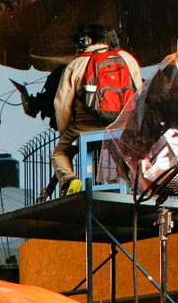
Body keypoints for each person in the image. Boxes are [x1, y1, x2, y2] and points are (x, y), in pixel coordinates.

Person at [50, 23, 142, 196]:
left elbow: (61, 105)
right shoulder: (126, 59)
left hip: (86, 126)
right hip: (121, 125)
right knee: (123, 153)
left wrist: (66, 133)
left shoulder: (75, 64)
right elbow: (139, 93)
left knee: (59, 153)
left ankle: (70, 180)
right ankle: (131, 184)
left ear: (87, 40)